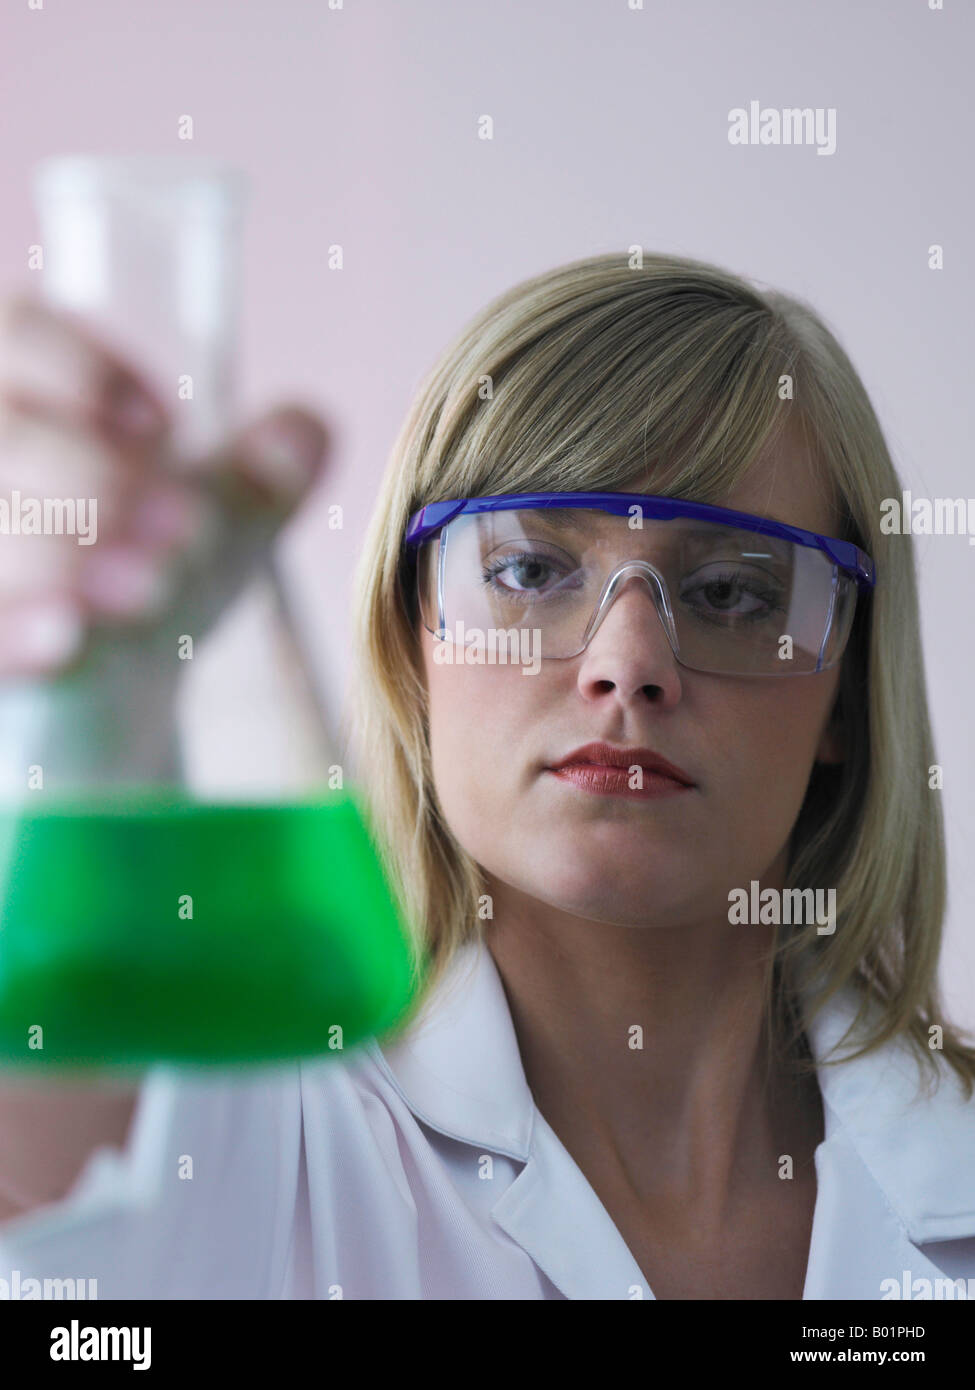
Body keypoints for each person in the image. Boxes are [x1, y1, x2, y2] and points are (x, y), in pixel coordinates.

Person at [1, 252, 973, 1300]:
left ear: (845, 687)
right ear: (411, 638)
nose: (626, 665)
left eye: (733, 591)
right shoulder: (252, 1131)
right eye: (530, 570)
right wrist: (70, 706)